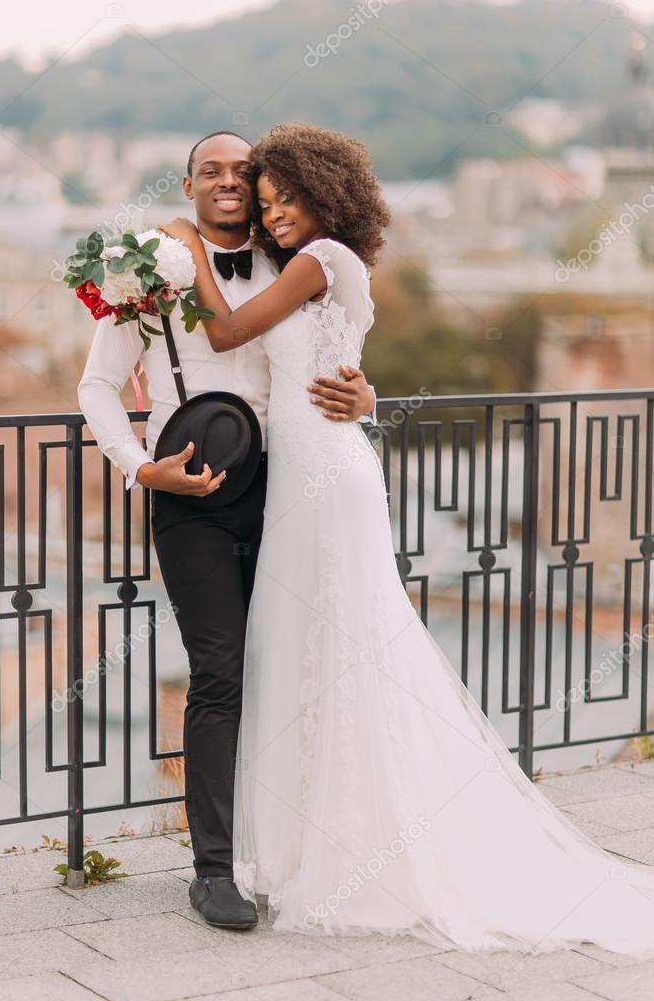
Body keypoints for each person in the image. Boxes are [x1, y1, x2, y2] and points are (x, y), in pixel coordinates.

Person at [160, 121, 654, 956]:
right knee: (312, 652)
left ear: (326, 194)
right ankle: (314, 840)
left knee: (343, 649)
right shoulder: (305, 266)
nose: (273, 216)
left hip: (326, 482)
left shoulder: (327, 260)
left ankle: (355, 846)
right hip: (305, 477)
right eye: (267, 203)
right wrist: (370, 396)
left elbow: (228, 333)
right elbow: (324, 357)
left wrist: (184, 247)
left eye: (285, 201)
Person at [77, 130, 377, 931]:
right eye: (209, 171)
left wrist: (367, 395)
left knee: (289, 665)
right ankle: (213, 869)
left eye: (241, 171)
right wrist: (140, 466)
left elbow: (334, 345)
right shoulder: (147, 273)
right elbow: (98, 383)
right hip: (192, 495)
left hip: (288, 488)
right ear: (186, 186)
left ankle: (281, 846)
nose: (229, 182)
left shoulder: (294, 256)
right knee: (219, 669)